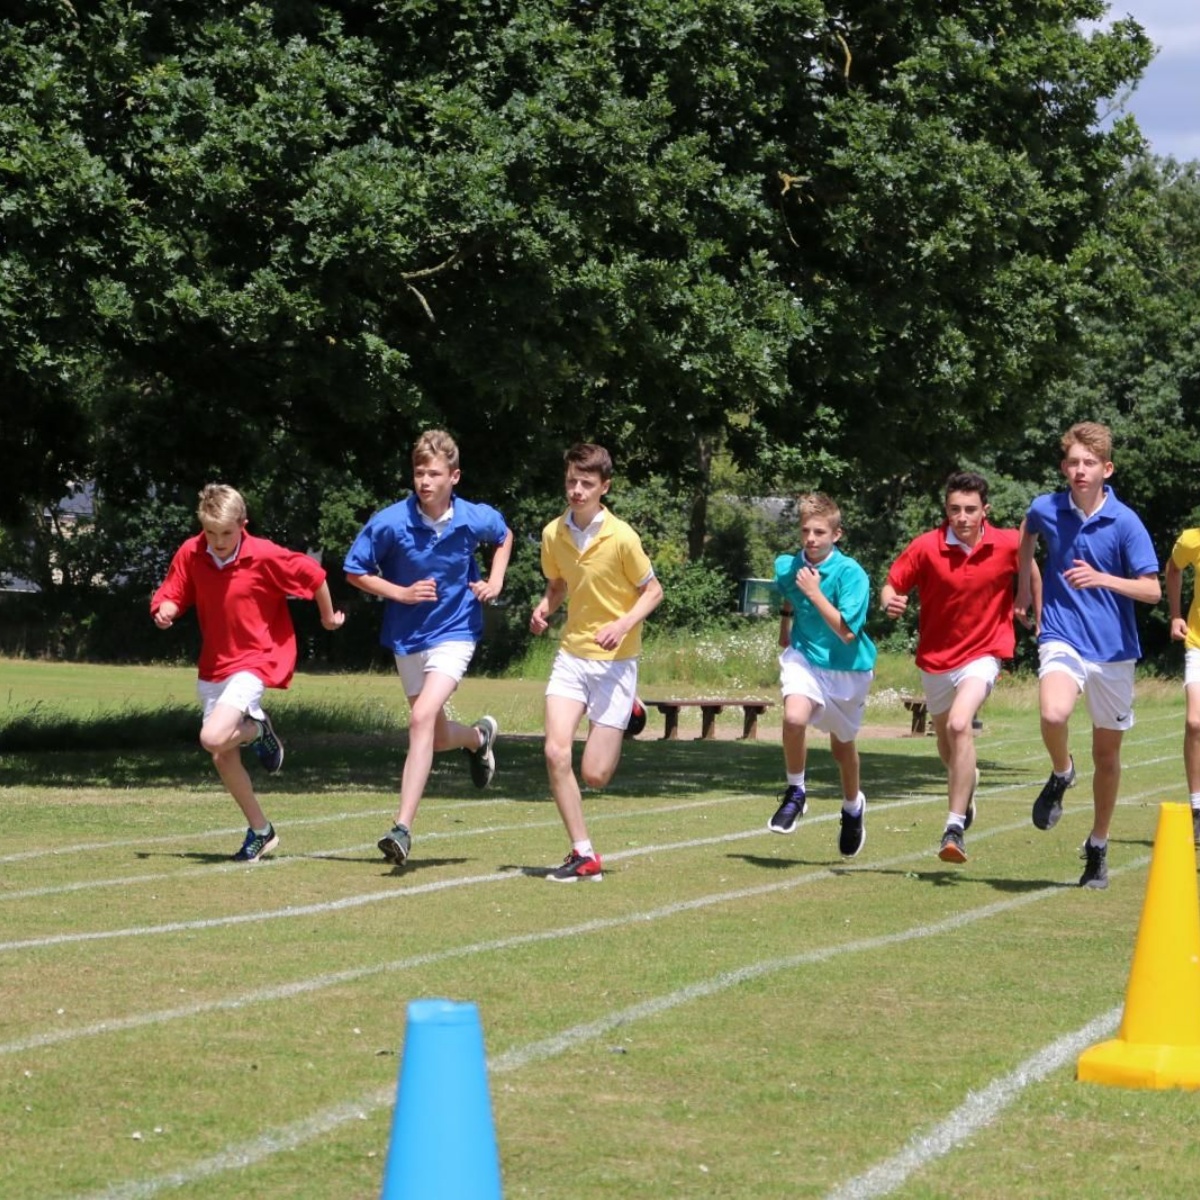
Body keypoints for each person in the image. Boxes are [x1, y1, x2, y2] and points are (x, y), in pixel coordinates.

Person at [344, 430, 513, 868]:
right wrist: (399, 593)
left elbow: (505, 535)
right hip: (407, 637)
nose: (425, 481)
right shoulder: (389, 522)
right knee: (435, 735)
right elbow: (354, 571)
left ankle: (401, 828)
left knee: (419, 719)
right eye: (419, 472)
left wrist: (494, 582)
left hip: (456, 631)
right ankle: (479, 739)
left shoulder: (472, 517)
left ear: (454, 476)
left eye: (434, 473)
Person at [151, 484, 345, 862]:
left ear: (244, 524)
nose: (219, 541)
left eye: (227, 533)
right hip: (213, 665)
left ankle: (259, 730)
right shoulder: (192, 552)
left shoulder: (265, 555)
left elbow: (315, 576)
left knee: (213, 737)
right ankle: (262, 830)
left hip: (256, 660)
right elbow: (174, 591)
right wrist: (167, 610)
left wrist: (326, 617)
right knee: (222, 755)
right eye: (211, 533)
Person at [1015, 422, 1161, 889]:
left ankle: (1098, 845)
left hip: (1114, 652)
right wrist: (1024, 584)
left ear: (1106, 468)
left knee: (1108, 755)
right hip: (1062, 635)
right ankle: (1062, 772)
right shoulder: (1047, 507)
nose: (1080, 470)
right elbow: (1028, 531)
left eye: (1089, 463)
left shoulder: (1126, 522)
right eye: (1073, 462)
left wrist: (1104, 579)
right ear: (1064, 467)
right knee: (1053, 712)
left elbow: (1153, 591)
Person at [882, 471, 1039, 864]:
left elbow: (1031, 567)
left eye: (970, 509)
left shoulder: (1006, 543)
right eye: (955, 509)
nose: (962, 517)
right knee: (946, 745)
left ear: (985, 510)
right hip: (936, 659)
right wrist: (890, 601)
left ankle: (954, 827)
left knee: (958, 724)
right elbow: (892, 583)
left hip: (985, 653)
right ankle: (966, 783)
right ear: (946, 510)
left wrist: (1029, 602)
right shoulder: (926, 546)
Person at [529, 443, 663, 882]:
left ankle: (630, 709)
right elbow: (558, 585)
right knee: (555, 751)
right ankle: (583, 853)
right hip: (572, 655)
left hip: (616, 663)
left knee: (596, 775)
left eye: (587, 483)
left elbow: (653, 592)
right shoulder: (554, 534)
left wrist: (623, 625)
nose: (577, 490)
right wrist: (543, 608)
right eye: (571, 481)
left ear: (604, 487)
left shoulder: (622, 537)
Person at [768, 493, 876, 857]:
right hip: (804, 656)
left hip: (848, 669)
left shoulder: (852, 574)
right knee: (793, 716)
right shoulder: (788, 565)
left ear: (836, 534)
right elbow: (788, 591)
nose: (811, 539)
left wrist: (814, 593)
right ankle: (796, 792)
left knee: (842, 748)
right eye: (805, 531)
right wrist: (785, 627)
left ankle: (852, 807)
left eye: (819, 532)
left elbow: (847, 631)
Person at [1166, 526, 1200, 845]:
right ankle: (1198, 807)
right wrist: (1176, 615)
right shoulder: (1193, 539)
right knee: (1195, 722)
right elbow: (1173, 568)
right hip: (1198, 643)